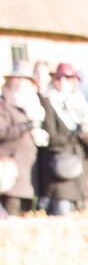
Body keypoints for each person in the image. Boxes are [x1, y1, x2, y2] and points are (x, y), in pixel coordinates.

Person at [40, 64, 88, 216]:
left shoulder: (81, 105)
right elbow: (51, 137)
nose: (63, 82)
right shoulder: (48, 102)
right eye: (59, 78)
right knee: (61, 211)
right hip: (58, 169)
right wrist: (78, 133)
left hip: (78, 168)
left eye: (68, 78)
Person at [0, 61, 44, 215]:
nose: (21, 83)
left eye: (25, 80)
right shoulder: (3, 104)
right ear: (11, 80)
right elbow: (2, 131)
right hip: (10, 177)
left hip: (28, 177)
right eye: (17, 79)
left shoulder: (32, 105)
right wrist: (26, 126)